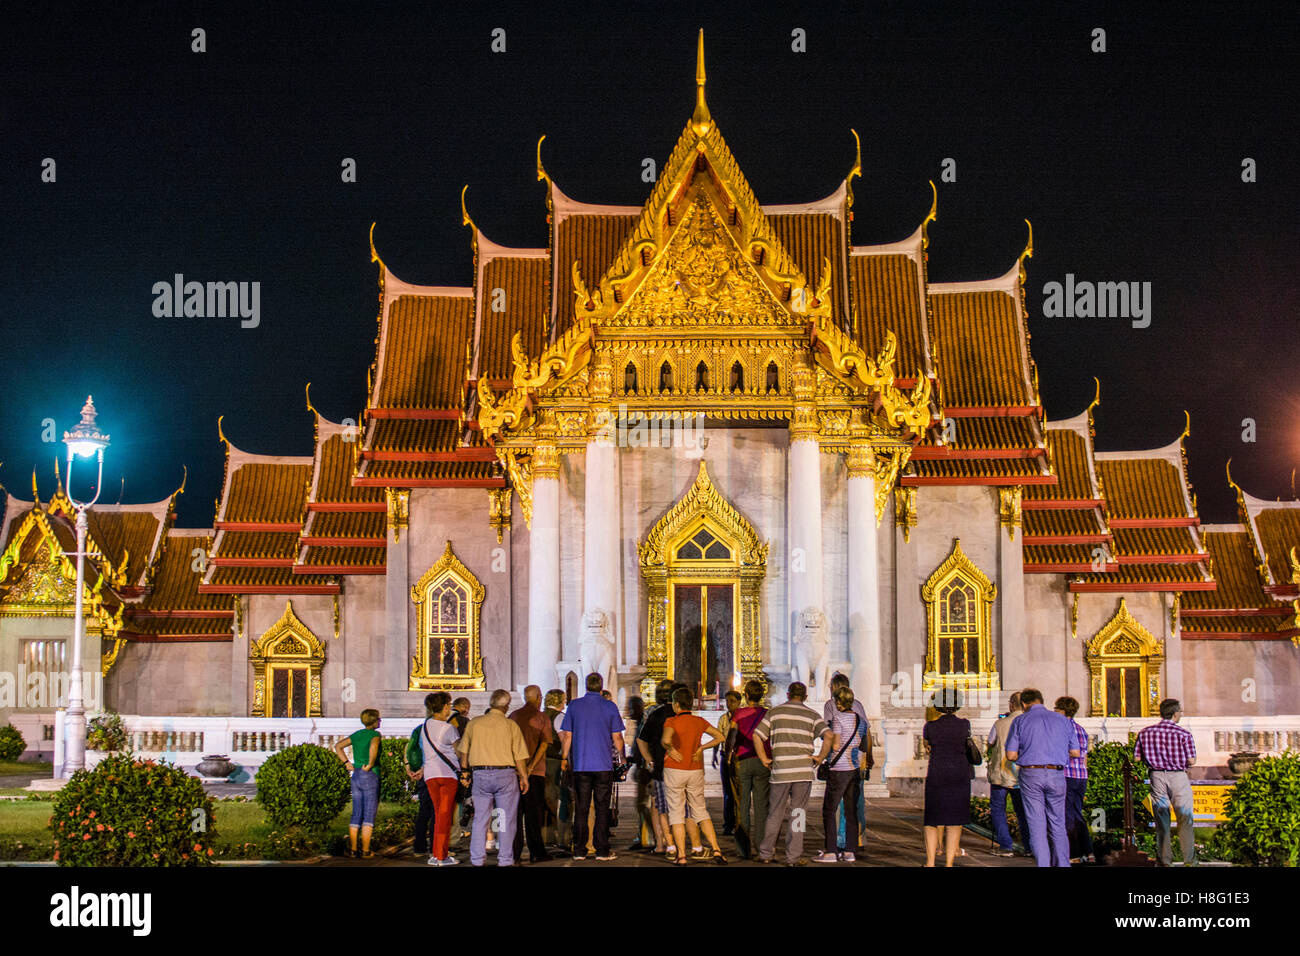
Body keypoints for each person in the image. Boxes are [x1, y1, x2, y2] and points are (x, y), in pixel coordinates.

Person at [753, 681, 831, 866]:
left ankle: (765, 853)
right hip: (803, 772)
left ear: (787, 694)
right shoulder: (812, 714)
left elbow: (757, 734)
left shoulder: (775, 712)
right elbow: (828, 735)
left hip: (780, 771)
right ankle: (793, 857)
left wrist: (764, 758)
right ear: (805, 697)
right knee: (798, 814)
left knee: (774, 814)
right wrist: (820, 757)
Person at [456, 689, 531, 867]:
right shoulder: (510, 725)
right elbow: (519, 755)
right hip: (505, 774)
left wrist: (465, 772)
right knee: (505, 819)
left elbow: (463, 751)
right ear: (506, 706)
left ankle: (477, 859)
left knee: (480, 819)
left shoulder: (474, 723)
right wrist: (524, 777)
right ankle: (505, 859)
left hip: (480, 773)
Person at [1006, 688, 1079, 867]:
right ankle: (1063, 864)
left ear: (1024, 704)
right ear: (1041, 700)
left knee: (1037, 825)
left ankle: (1043, 864)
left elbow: (1010, 755)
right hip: (1056, 773)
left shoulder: (1020, 720)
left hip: (1031, 774)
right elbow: (1075, 752)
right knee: (1057, 823)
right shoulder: (1063, 720)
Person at [559, 672, 626, 861]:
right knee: (602, 808)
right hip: (603, 765)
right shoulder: (609, 706)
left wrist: (564, 758)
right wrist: (623, 758)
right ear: (601, 685)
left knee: (581, 808)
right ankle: (602, 849)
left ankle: (579, 849)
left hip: (581, 765)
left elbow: (567, 736)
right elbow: (617, 737)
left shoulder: (575, 706)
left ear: (586, 686)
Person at [661, 686, 728, 864]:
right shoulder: (699, 721)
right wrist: (702, 748)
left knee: (676, 812)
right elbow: (721, 737)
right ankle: (716, 850)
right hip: (695, 769)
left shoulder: (671, 721)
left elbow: (666, 740)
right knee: (700, 810)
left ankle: (682, 855)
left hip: (674, 769)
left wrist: (671, 749)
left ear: (676, 705)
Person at [1133, 698, 1197, 867]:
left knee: (1162, 820)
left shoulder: (1145, 733)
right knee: (1185, 818)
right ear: (1176, 714)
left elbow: (1137, 758)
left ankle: (1164, 860)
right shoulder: (1183, 734)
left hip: (1156, 776)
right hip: (1178, 776)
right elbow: (1191, 761)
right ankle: (1189, 860)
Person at [922, 694, 972, 867]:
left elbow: (927, 746)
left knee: (932, 820)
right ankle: (949, 863)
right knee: (954, 820)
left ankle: (930, 862)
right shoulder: (964, 724)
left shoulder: (930, 726)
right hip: (959, 773)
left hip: (937, 772)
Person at [815, 685, 863, 863]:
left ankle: (831, 851)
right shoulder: (860, 720)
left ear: (839, 702)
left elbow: (835, 745)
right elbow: (863, 743)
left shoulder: (838, 718)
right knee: (851, 811)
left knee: (829, 809)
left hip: (838, 769)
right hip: (854, 768)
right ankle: (850, 850)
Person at [823, 672, 870, 853]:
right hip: (855, 764)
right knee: (853, 807)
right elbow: (866, 739)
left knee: (830, 808)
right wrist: (867, 757)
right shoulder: (859, 710)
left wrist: (822, 757)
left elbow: (833, 742)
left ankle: (832, 848)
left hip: (839, 765)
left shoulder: (833, 710)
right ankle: (853, 846)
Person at [509, 684, 554, 863]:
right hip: (534, 772)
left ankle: (515, 852)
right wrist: (530, 767)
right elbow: (544, 744)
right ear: (538, 698)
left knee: (516, 813)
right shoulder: (541, 717)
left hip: (514, 772)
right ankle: (537, 851)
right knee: (533, 813)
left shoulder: (513, 716)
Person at [418, 691, 463, 866]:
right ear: (444, 707)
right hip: (447, 775)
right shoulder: (448, 728)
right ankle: (440, 856)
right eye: (448, 705)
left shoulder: (425, 726)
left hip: (431, 775)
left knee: (439, 814)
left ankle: (437, 853)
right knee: (445, 816)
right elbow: (458, 751)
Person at [727, 679, 770, 859]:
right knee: (762, 807)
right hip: (763, 761)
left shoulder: (739, 713)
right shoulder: (768, 714)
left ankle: (743, 849)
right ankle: (761, 846)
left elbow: (732, 736)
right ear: (762, 696)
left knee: (742, 805)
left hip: (743, 761)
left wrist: (728, 754)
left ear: (746, 695)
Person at [985, 692, 1030, 858]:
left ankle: (1006, 846)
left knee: (998, 810)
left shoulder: (1000, 723)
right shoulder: (1028, 723)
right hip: (1022, 774)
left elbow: (989, 743)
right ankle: (1029, 846)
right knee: (1023, 812)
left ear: (1011, 705)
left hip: (1000, 773)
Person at [333, 708, 382, 859]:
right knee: (368, 813)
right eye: (378, 719)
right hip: (370, 774)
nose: (380, 721)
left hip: (356, 775)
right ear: (373, 721)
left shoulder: (357, 734)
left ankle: (354, 849)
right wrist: (371, 763)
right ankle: (366, 850)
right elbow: (374, 746)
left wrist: (347, 762)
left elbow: (338, 746)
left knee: (356, 812)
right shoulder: (375, 734)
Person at [636, 679, 677, 855]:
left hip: (657, 763)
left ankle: (660, 843)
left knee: (657, 805)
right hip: (676, 764)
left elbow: (640, 738)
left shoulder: (651, 712)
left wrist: (648, 760)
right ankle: (674, 841)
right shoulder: (678, 712)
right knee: (676, 805)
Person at [1054, 696, 1093, 863]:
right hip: (1081, 775)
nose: (1054, 711)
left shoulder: (1062, 728)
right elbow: (1084, 755)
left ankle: (1074, 853)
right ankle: (1089, 851)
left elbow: (1070, 751)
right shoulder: (1081, 729)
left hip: (1068, 774)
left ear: (1062, 710)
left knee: (1067, 814)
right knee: (1077, 813)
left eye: (1057, 708)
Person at [404, 694, 439, 858]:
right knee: (435, 812)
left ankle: (419, 847)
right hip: (433, 772)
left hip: (421, 773)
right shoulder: (437, 728)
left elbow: (408, 748)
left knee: (424, 811)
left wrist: (408, 767)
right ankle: (433, 847)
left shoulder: (419, 728)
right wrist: (424, 768)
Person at [626, 695, 655, 850]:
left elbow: (645, 746)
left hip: (646, 770)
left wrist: (644, 765)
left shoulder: (645, 723)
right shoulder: (639, 724)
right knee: (640, 806)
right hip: (641, 768)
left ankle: (652, 837)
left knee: (644, 805)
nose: (628, 711)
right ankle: (644, 836)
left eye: (631, 708)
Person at [542, 688, 570, 852]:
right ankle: (563, 838)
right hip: (555, 761)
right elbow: (564, 738)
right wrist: (565, 757)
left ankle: (547, 837)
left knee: (546, 800)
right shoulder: (559, 717)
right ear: (560, 701)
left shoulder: (540, 716)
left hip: (540, 762)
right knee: (563, 799)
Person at [714, 690, 742, 835]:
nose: (729, 704)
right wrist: (714, 754)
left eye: (732, 701)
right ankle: (728, 824)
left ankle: (740, 823)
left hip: (739, 757)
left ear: (739, 702)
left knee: (740, 792)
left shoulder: (742, 718)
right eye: (727, 701)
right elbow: (718, 736)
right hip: (726, 756)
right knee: (728, 793)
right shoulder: (723, 719)